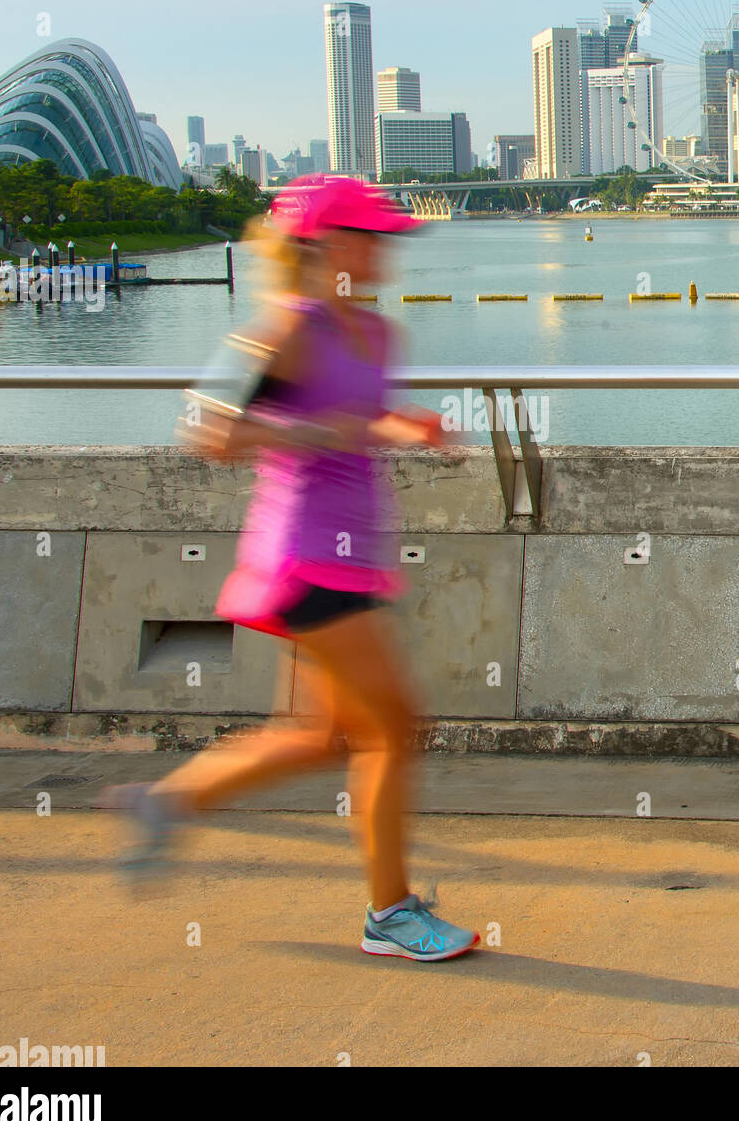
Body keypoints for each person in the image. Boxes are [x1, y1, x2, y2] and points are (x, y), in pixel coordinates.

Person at [100, 175, 479, 963]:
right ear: (329, 245)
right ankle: (391, 915)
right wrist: (322, 431)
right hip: (304, 559)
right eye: (374, 237)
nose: (387, 251)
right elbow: (210, 434)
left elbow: (358, 416)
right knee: (391, 733)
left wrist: (399, 424)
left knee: (316, 737)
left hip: (354, 559)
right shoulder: (282, 332)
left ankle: (167, 801)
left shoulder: (375, 336)